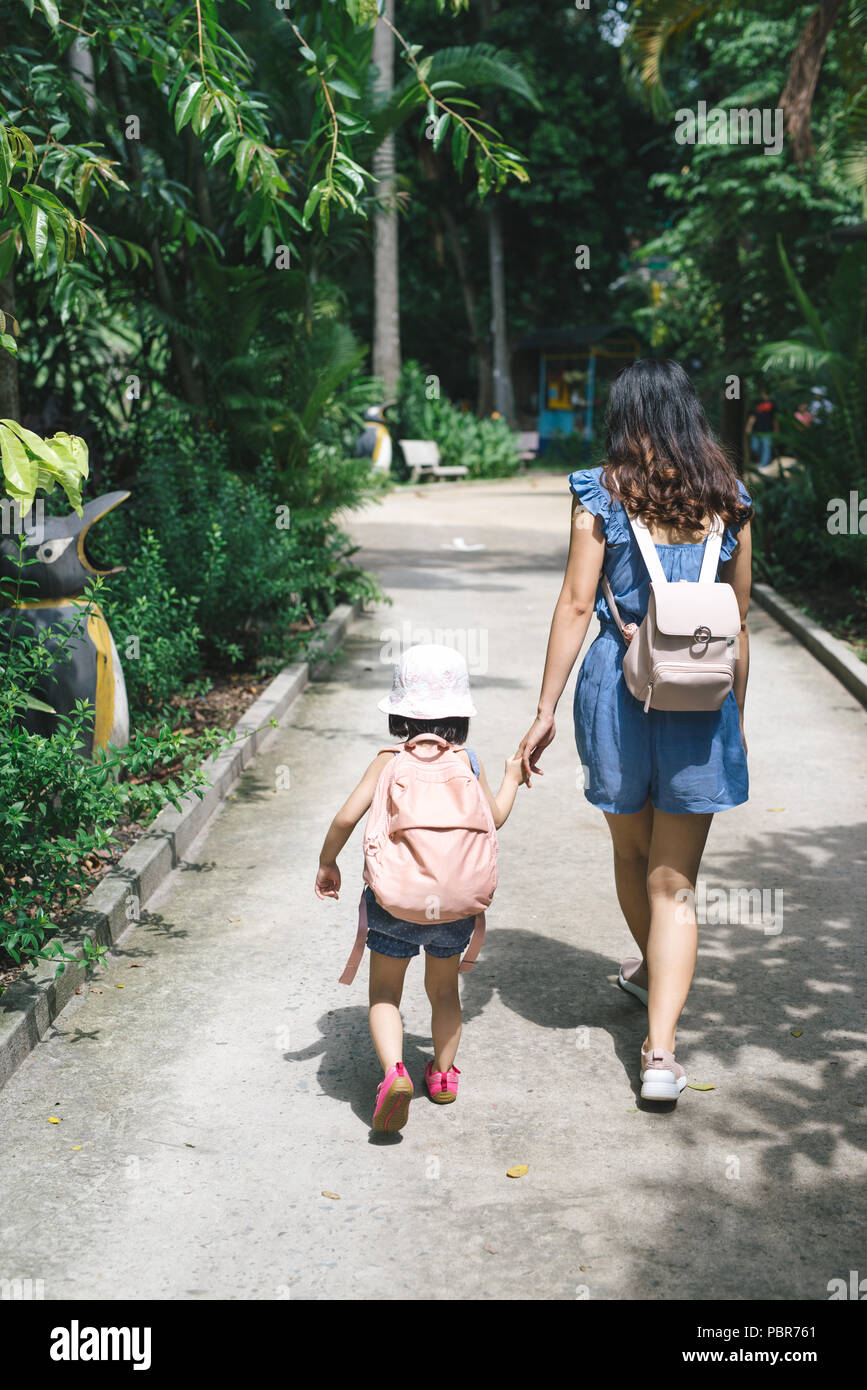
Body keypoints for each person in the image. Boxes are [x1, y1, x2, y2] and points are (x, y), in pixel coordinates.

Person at [517, 359, 753, 1105]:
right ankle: (659, 1055)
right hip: (700, 699)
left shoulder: (602, 493)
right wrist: (732, 719)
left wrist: (545, 708)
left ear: (625, 417)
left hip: (616, 690)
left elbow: (574, 605)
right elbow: (736, 621)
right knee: (673, 882)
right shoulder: (729, 501)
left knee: (629, 851)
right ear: (689, 413)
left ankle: (653, 971)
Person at [316, 644, 524, 1132]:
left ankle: (394, 1074)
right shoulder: (468, 762)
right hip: (454, 907)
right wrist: (513, 775)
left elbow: (346, 817)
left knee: (386, 992)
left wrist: (328, 862)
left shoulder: (387, 761)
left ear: (399, 713)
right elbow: (495, 819)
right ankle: (444, 1075)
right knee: (445, 992)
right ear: (460, 714)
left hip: (395, 903)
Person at [746, 393, 778, 469]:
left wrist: (776, 430)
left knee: (766, 448)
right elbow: (752, 416)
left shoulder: (772, 403)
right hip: (756, 430)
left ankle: (763, 466)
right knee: (755, 448)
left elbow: (775, 418)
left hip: (768, 431)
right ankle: (762, 462)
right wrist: (749, 427)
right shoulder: (756, 402)